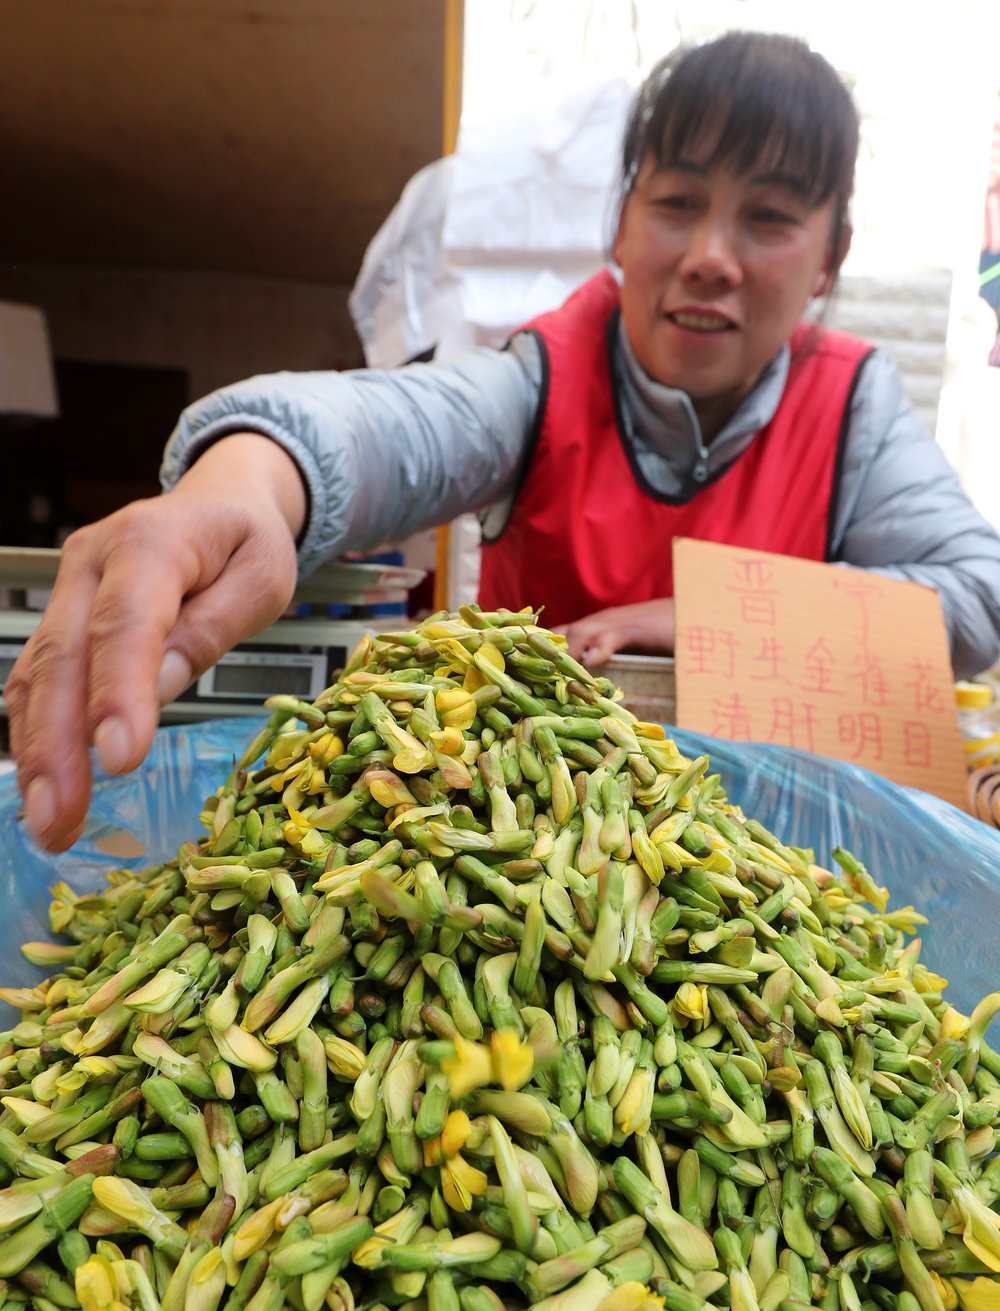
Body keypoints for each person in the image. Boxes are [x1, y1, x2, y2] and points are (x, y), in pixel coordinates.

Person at [10, 31, 1000, 853]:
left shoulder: (852, 402)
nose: (709, 258)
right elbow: (397, 423)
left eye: (771, 219)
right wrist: (249, 478)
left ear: (831, 258)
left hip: (769, 860)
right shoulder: (546, 376)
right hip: (525, 846)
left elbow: (976, 590)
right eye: (676, 203)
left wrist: (707, 618)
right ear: (618, 226)